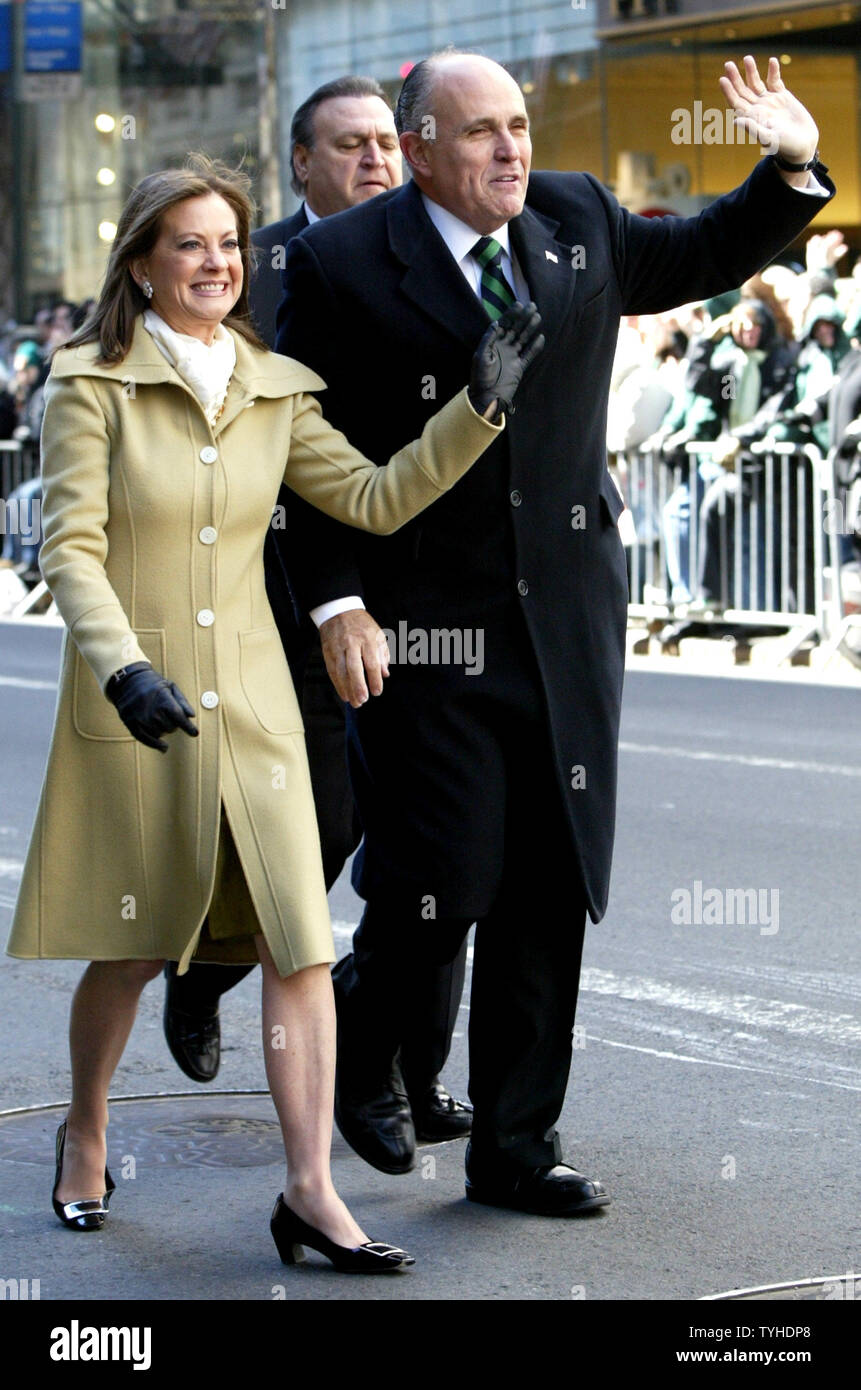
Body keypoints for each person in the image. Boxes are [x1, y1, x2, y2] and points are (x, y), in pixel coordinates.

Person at [275, 50, 833, 1215]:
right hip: (424, 628)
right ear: (419, 147)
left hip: (565, 618)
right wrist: (336, 601)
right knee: (444, 873)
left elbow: (702, 253)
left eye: (519, 125)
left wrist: (787, 163)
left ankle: (517, 1146)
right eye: (480, 133)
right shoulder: (338, 262)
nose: (511, 149)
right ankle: (362, 1042)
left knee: (544, 882)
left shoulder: (575, 214)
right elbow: (298, 450)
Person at [4, 153, 542, 1270]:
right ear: (144, 263)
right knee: (140, 943)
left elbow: (375, 497)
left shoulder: (274, 385)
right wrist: (119, 665)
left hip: (255, 709)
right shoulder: (89, 383)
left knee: (300, 942)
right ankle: (87, 1128)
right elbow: (71, 550)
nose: (214, 262)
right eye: (189, 243)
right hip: (139, 706)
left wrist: (480, 409)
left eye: (229, 244)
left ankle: (309, 1190)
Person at [163, 75, 473, 1154]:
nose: (376, 161)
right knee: (323, 832)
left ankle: (410, 1074)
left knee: (438, 838)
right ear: (303, 163)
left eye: (389, 142)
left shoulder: (450, 250)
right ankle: (204, 969)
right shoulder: (261, 272)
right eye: (350, 146)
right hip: (294, 597)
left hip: (426, 593)